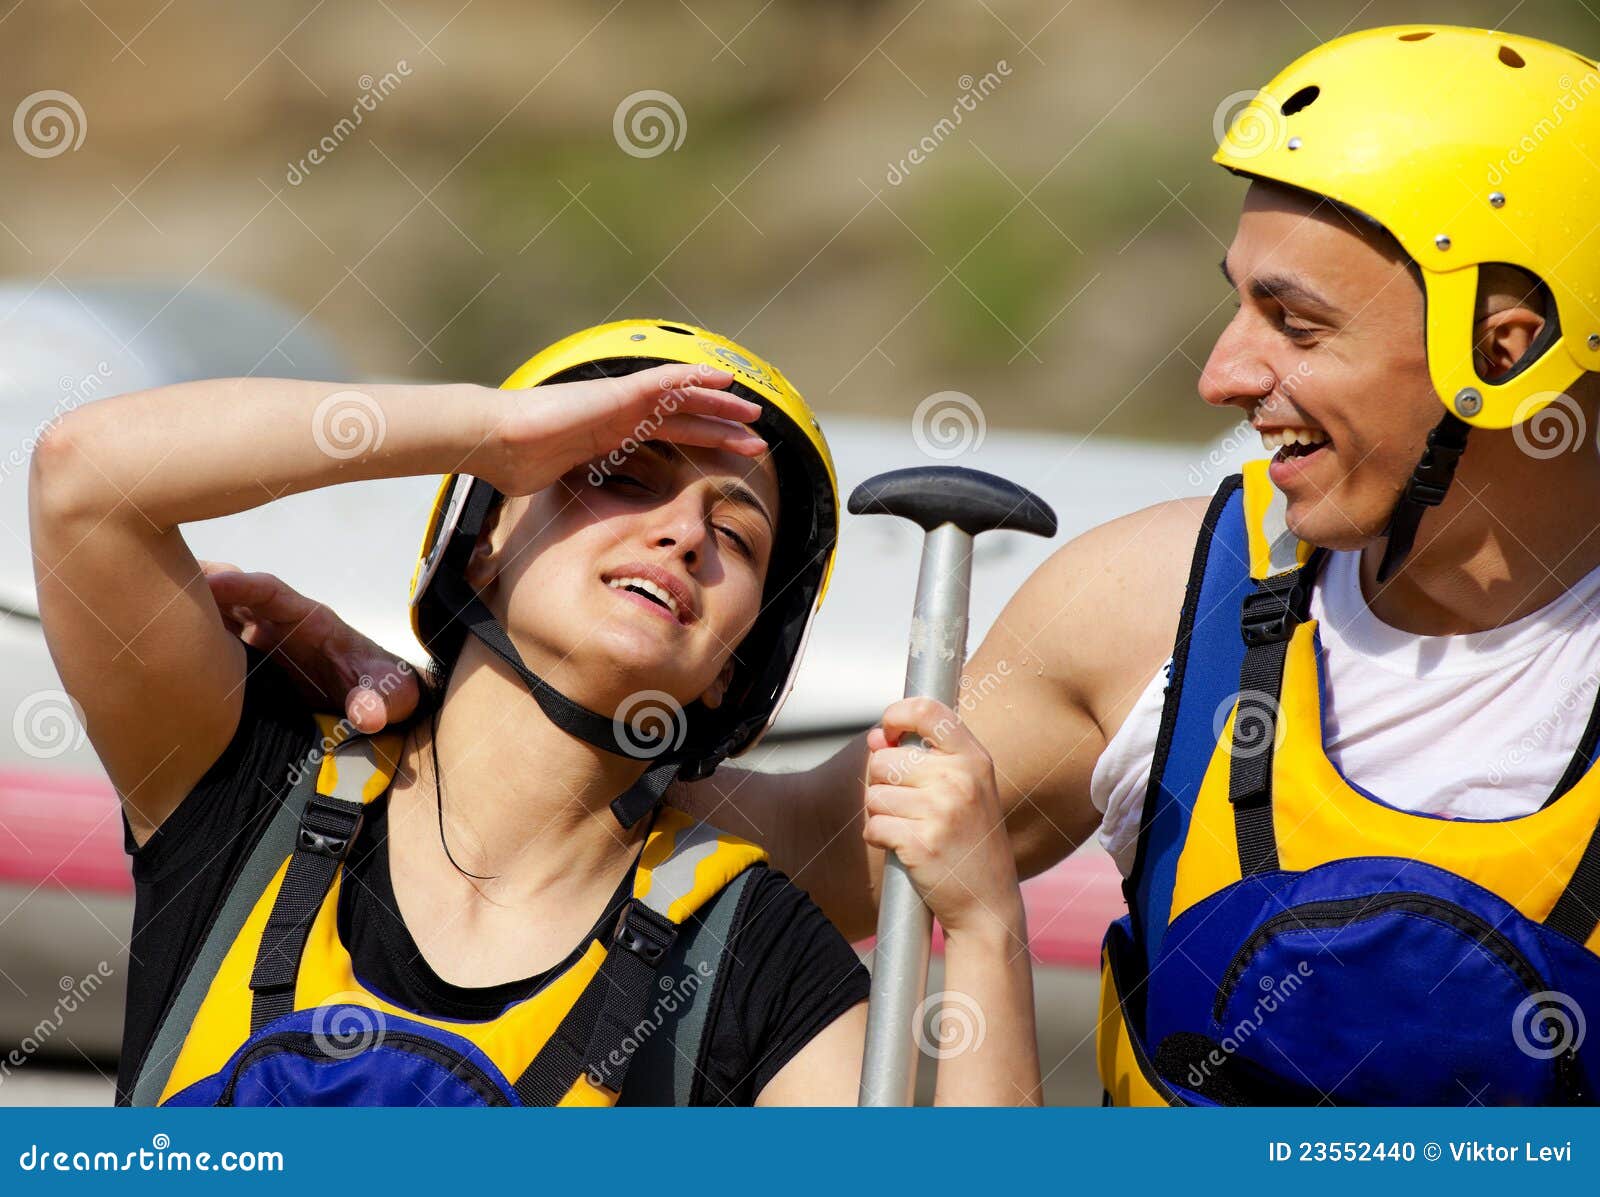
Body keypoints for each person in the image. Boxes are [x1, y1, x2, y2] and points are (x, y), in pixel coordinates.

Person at [29, 319, 1042, 1107]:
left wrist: (988, 926)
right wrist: (493, 431)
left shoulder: (748, 953)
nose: (684, 534)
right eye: (620, 477)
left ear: (738, 669)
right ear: (478, 540)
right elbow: (84, 477)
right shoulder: (256, 783)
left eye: (733, 530)